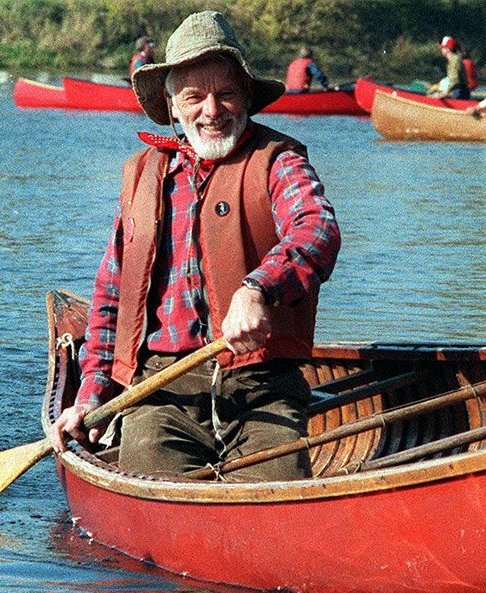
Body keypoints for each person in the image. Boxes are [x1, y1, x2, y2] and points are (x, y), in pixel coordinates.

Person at [50, 11, 341, 482]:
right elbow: (111, 297)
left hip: (263, 383)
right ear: (172, 106)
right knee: (152, 486)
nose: (212, 110)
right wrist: (92, 395)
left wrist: (258, 289)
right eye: (194, 97)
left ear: (246, 97)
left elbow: (317, 229)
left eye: (226, 94)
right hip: (161, 391)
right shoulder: (142, 175)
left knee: (277, 493)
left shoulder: (279, 161)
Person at [428, 36, 470, 100]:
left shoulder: (454, 60)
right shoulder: (453, 59)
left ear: (447, 49)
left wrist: (442, 94)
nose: (441, 50)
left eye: (442, 48)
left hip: (460, 92)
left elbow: (455, 80)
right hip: (459, 91)